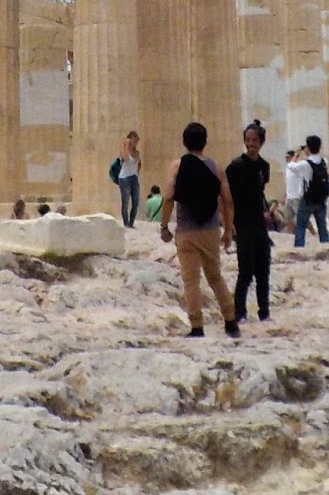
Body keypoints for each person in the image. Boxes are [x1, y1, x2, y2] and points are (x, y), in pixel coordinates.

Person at [159, 121, 240, 338]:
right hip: (211, 230)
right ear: (205, 142)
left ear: (184, 142)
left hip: (186, 231)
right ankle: (230, 320)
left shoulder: (177, 166)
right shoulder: (216, 167)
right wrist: (228, 229)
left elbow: (168, 196)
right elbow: (228, 201)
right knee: (215, 277)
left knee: (191, 280)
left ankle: (197, 326)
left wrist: (164, 226)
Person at [226, 121, 272, 324]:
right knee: (245, 271)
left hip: (259, 224)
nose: (251, 144)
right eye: (248, 140)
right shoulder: (236, 166)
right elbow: (226, 195)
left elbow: (260, 192)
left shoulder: (264, 166)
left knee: (263, 271)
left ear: (261, 142)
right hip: (242, 224)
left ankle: (264, 312)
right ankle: (240, 312)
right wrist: (228, 223)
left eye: (254, 140)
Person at [293, 135, 329, 248]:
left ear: (308, 147)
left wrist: (296, 154)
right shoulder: (324, 162)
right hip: (321, 199)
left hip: (308, 199)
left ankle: (299, 246)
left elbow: (291, 166)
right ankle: (326, 246)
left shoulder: (305, 164)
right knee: (322, 226)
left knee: (301, 225)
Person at [114, 131, 142, 227]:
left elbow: (139, 163)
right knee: (125, 202)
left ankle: (131, 223)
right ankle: (126, 223)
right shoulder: (124, 151)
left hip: (134, 178)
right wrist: (126, 144)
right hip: (124, 178)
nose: (135, 143)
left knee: (136, 202)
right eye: (134, 140)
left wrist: (137, 173)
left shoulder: (137, 152)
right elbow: (126, 158)